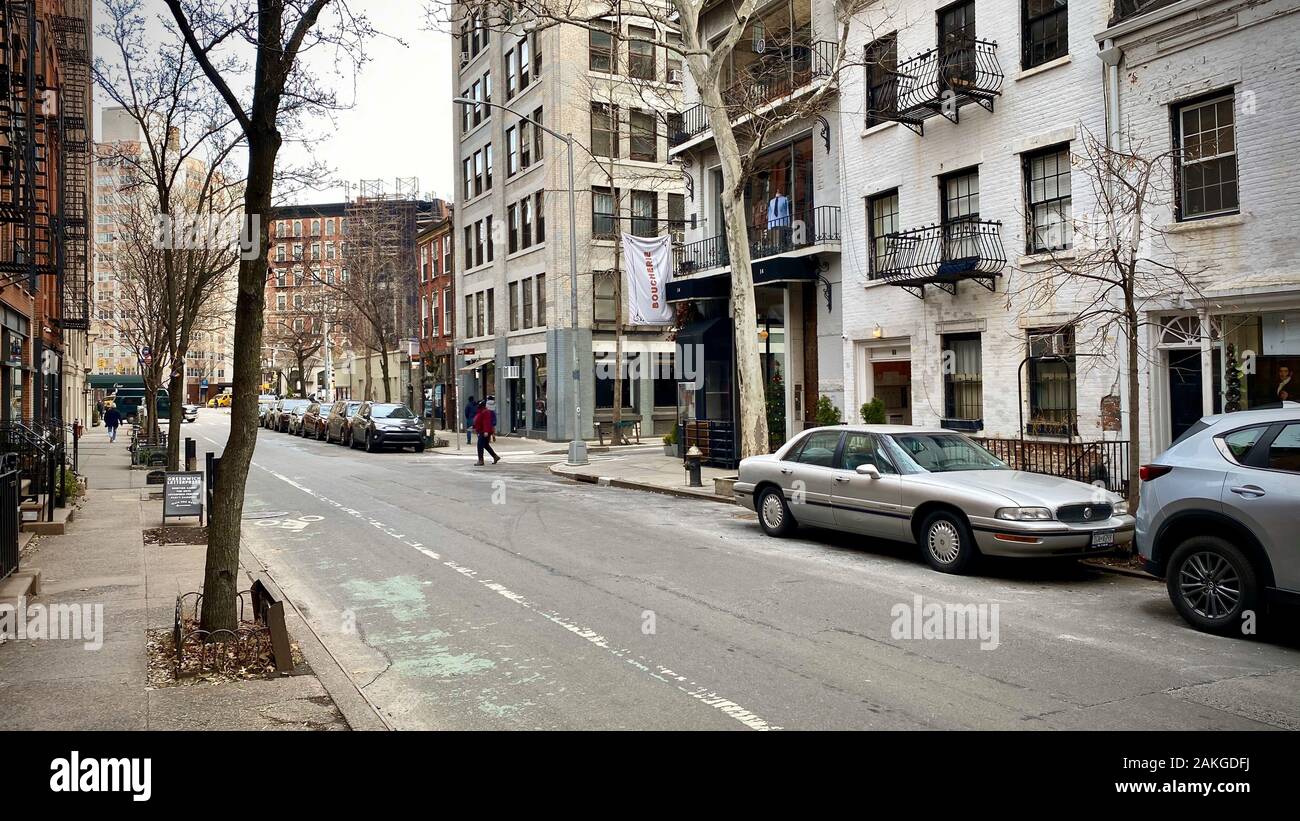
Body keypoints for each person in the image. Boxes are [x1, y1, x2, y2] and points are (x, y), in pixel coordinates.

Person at [473, 396, 500, 466]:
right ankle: (495, 456)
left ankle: (481, 460)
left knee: (480, 445)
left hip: (483, 431)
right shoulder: (481, 411)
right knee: (485, 445)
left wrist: (486, 431)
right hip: (482, 430)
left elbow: (486, 422)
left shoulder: (485, 412)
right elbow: (479, 421)